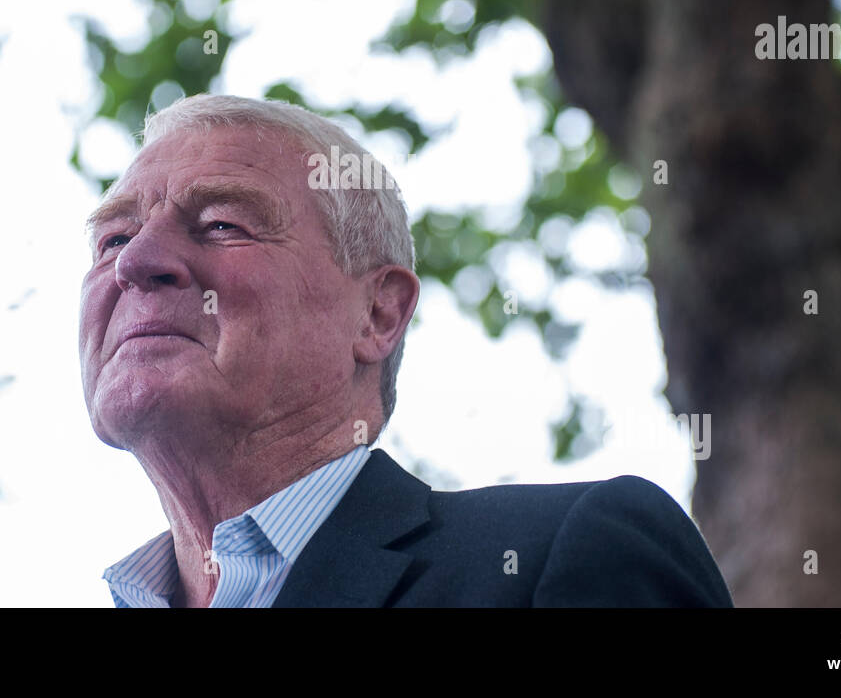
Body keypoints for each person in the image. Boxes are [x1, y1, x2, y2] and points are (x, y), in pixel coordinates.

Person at [79, 94, 733, 607]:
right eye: (111, 240)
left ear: (379, 312)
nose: (135, 262)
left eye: (223, 224)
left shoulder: (569, 553)